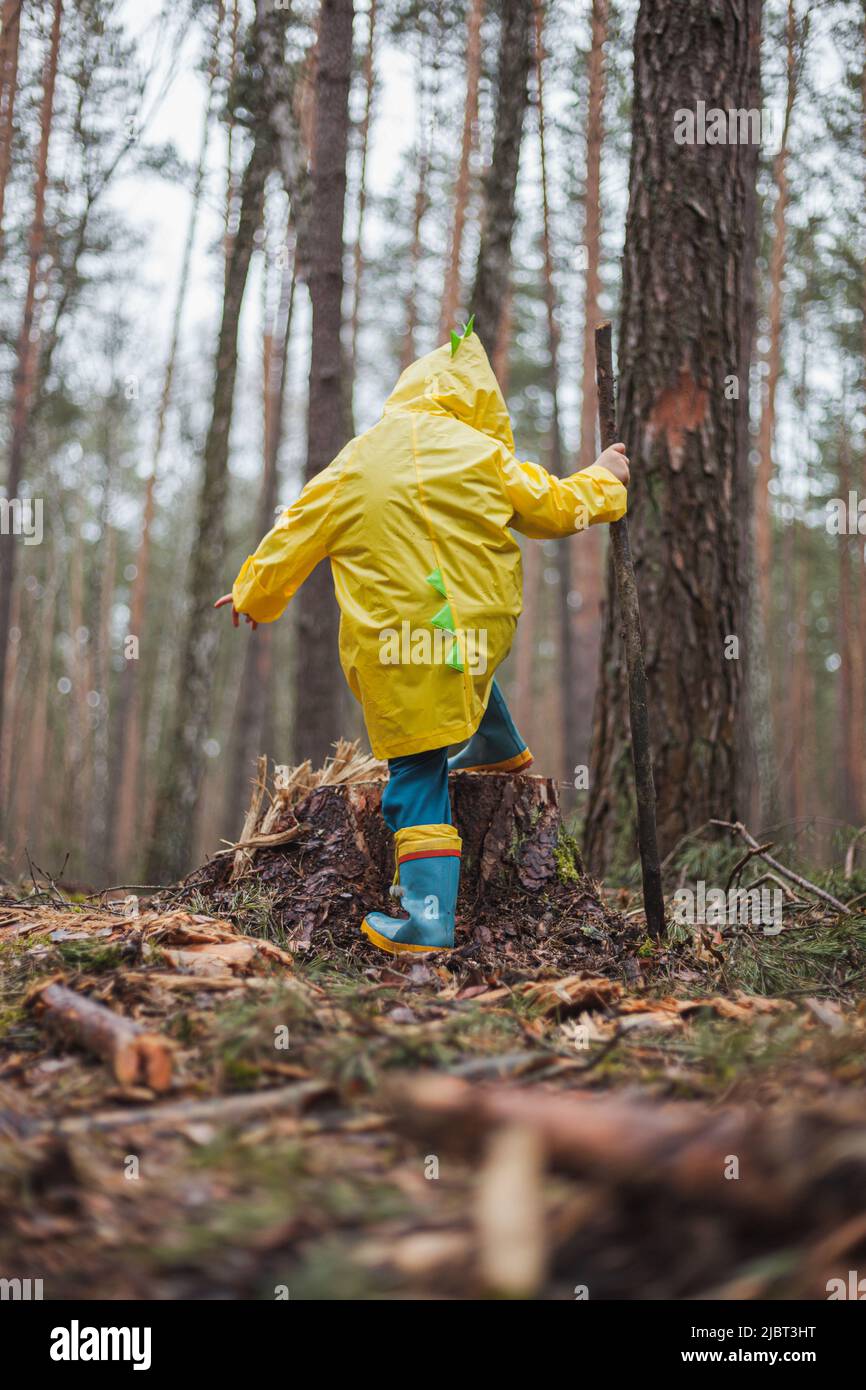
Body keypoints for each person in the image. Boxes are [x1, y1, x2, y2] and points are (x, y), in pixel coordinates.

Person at [217, 326, 629, 955]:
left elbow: (293, 531)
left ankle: (426, 919)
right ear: (475, 401)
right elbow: (551, 508)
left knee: (415, 774)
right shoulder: (481, 454)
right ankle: (498, 742)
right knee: (459, 665)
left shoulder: (357, 459)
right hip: (480, 626)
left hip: (400, 643)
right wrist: (605, 479)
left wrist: (255, 593)